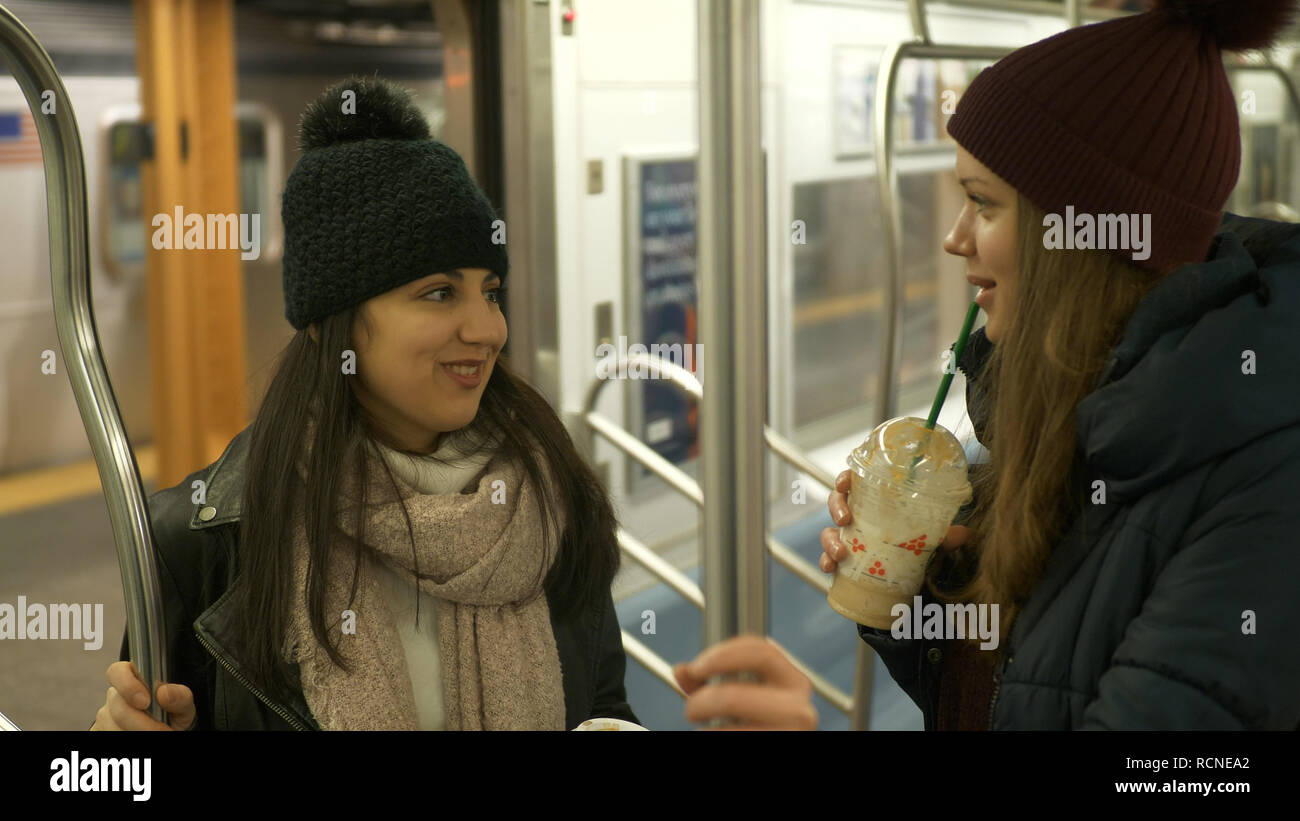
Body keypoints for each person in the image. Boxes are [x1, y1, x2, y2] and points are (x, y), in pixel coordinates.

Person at [676, 0, 1300, 730]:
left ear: (1078, 238)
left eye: (983, 204)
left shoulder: (1264, 490)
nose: (953, 236)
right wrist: (928, 594)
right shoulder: (1069, 424)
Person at [93, 76, 637, 731]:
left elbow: (604, 701)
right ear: (334, 323)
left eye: (489, 291)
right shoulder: (203, 546)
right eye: (439, 293)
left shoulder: (550, 498)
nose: (488, 328)